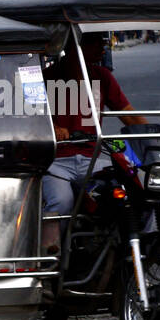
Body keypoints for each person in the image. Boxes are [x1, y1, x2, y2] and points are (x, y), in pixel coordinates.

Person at [40, 31, 144, 252]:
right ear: (77, 45)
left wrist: (158, 136)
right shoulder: (46, 77)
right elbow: (30, 117)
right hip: (57, 162)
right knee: (61, 203)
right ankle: (49, 265)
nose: (102, 47)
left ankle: (131, 254)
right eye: (96, 42)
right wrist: (53, 128)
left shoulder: (103, 76)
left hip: (93, 159)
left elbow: (130, 116)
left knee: (133, 194)